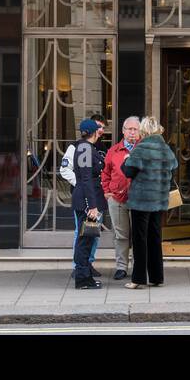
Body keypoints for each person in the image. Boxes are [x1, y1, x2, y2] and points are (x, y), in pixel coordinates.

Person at [119, 116, 179, 290]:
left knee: (139, 239)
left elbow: (128, 171)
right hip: (159, 200)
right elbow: (172, 171)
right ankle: (157, 276)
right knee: (155, 238)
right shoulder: (166, 149)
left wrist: (125, 160)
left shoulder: (141, 149)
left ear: (144, 131)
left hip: (141, 201)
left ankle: (138, 278)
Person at [60, 114, 106, 276]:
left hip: (95, 196)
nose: (101, 130)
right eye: (98, 127)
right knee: (83, 234)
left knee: (92, 234)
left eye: (103, 127)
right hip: (87, 197)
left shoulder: (95, 147)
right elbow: (71, 172)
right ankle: (80, 268)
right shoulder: (81, 147)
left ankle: (87, 264)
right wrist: (81, 187)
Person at [101, 116, 141, 282]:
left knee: (139, 235)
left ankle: (138, 267)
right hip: (117, 198)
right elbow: (105, 173)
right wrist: (106, 191)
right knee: (120, 235)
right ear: (123, 131)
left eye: (135, 129)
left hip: (139, 199)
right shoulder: (114, 151)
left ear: (140, 132)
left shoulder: (143, 149)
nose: (132, 132)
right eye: (129, 129)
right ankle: (121, 267)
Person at [70, 119, 109, 290]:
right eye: (98, 129)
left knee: (86, 239)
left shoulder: (85, 147)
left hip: (89, 198)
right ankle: (82, 278)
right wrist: (91, 206)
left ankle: (85, 277)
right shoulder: (85, 148)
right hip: (87, 200)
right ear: (93, 132)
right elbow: (86, 178)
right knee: (84, 240)